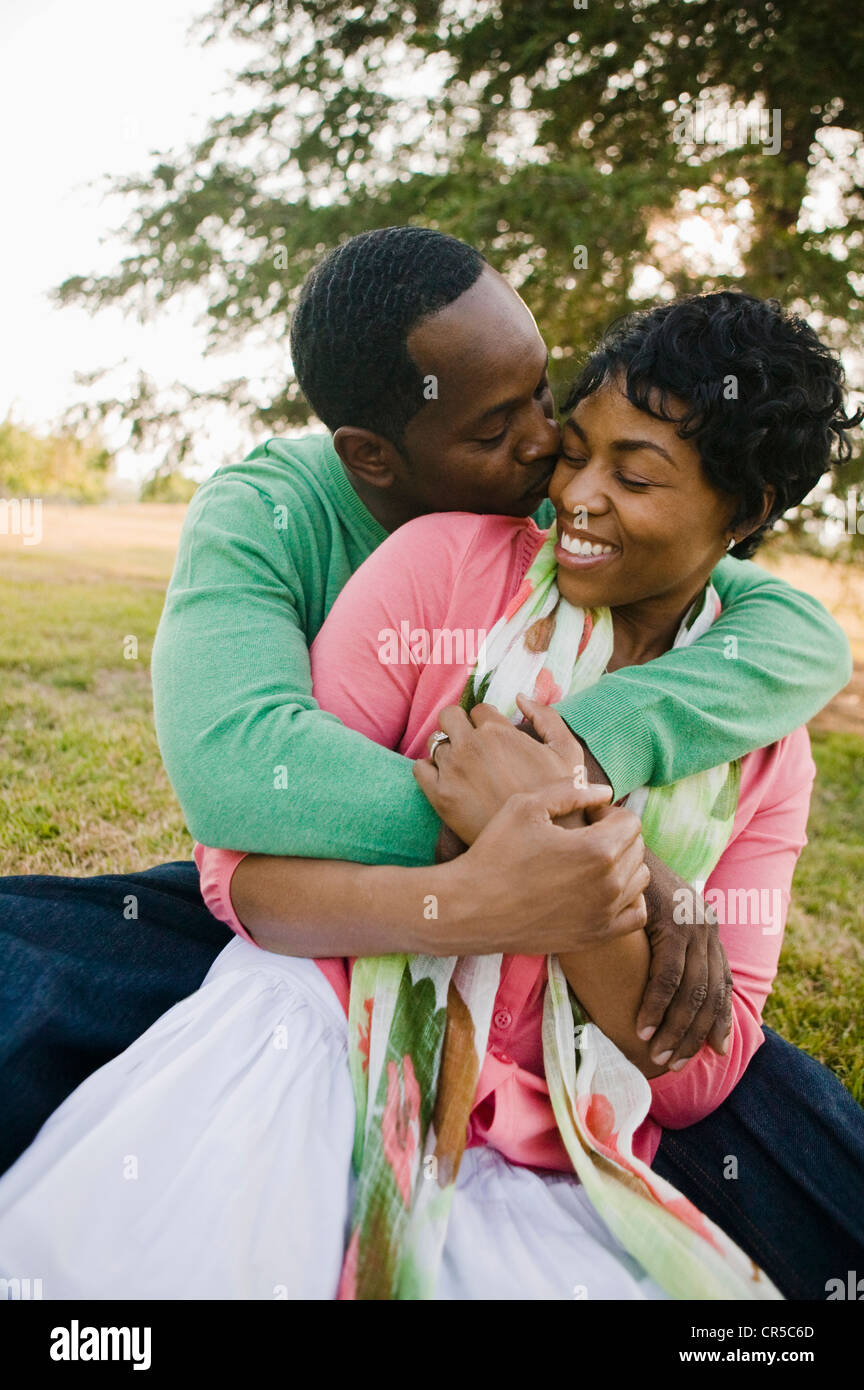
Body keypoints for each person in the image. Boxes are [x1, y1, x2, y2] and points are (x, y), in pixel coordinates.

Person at [0, 231, 860, 1294]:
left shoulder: (653, 598)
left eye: (552, 402)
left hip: (558, 1091)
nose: (558, 463)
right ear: (375, 453)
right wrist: (527, 876)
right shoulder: (343, 536)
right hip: (334, 946)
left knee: (820, 1175)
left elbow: (800, 638)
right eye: (509, 428)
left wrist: (590, 846)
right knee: (38, 983)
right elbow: (241, 798)